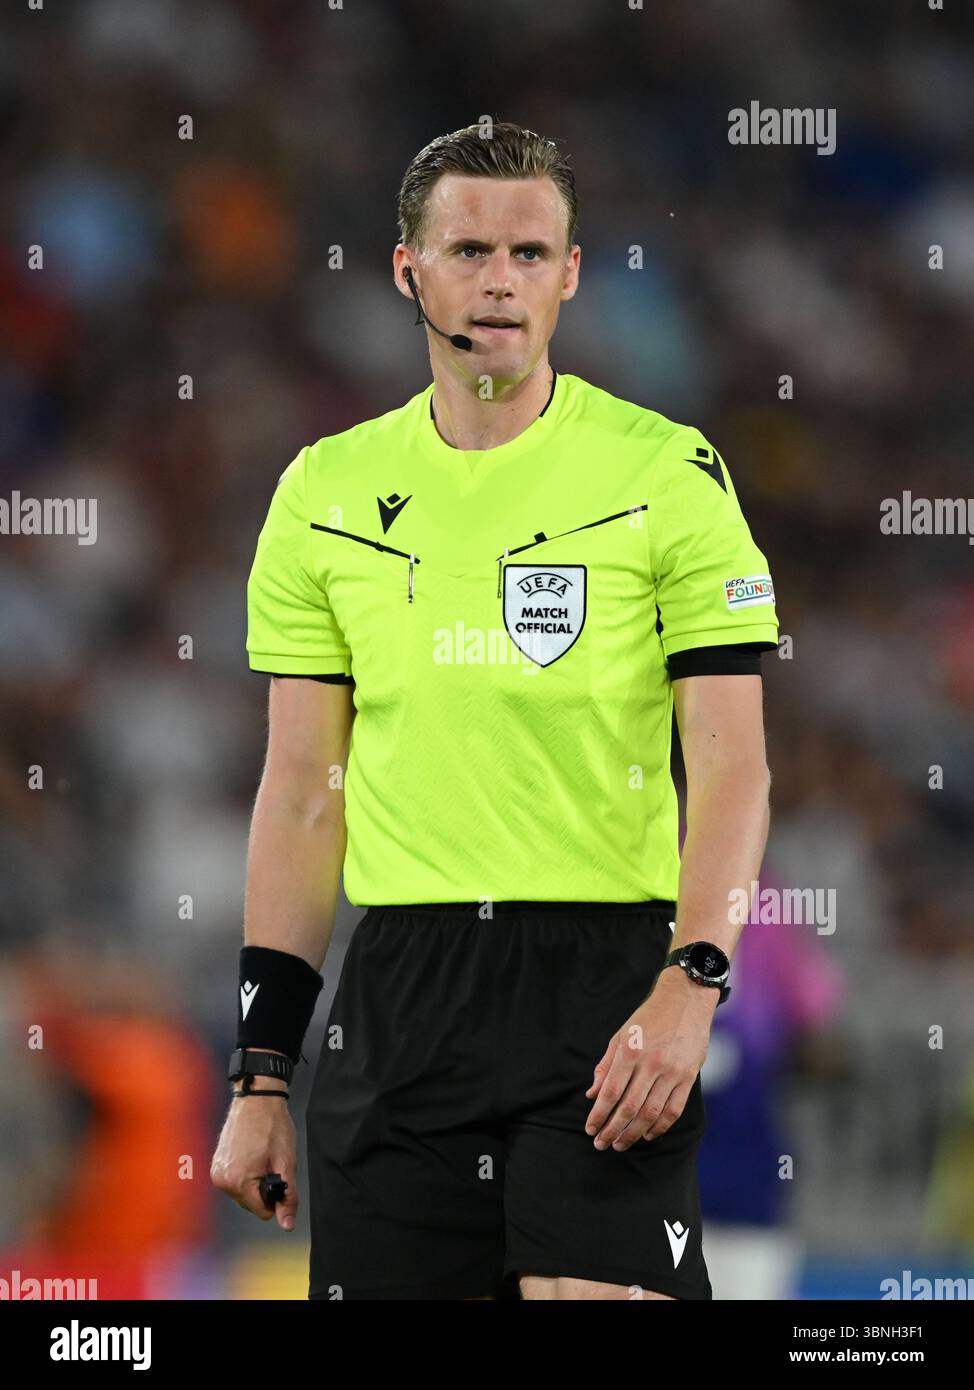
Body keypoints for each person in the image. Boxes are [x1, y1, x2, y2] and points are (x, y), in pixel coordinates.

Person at [210, 121, 779, 1301]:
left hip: (605, 982)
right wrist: (261, 1075)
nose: (501, 280)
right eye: (469, 249)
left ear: (570, 272)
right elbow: (302, 794)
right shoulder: (319, 495)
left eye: (531, 252)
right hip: (402, 991)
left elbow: (732, 769)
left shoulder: (665, 476)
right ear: (406, 267)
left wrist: (692, 983)